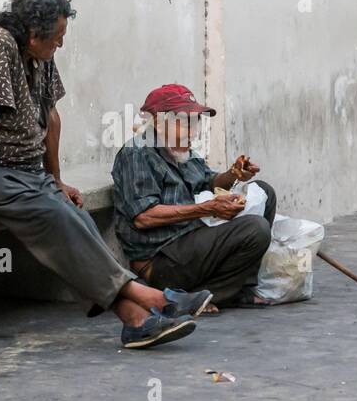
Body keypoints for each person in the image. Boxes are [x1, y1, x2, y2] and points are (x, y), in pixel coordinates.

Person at [0, 0, 212, 349]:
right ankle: (153, 298)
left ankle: (136, 320)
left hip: (22, 172)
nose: (60, 44)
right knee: (50, 214)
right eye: (57, 38)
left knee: (75, 217)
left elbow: (52, 118)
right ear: (34, 33)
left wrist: (55, 179)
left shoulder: (40, 53)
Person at [111, 83, 277, 313]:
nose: (193, 131)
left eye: (195, 122)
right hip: (161, 258)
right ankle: (204, 296)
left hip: (191, 240)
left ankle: (241, 290)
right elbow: (143, 217)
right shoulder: (137, 153)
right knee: (255, 228)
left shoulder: (181, 150)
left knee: (263, 191)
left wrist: (233, 174)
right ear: (159, 123)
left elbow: (208, 182)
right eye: (184, 122)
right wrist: (208, 209)